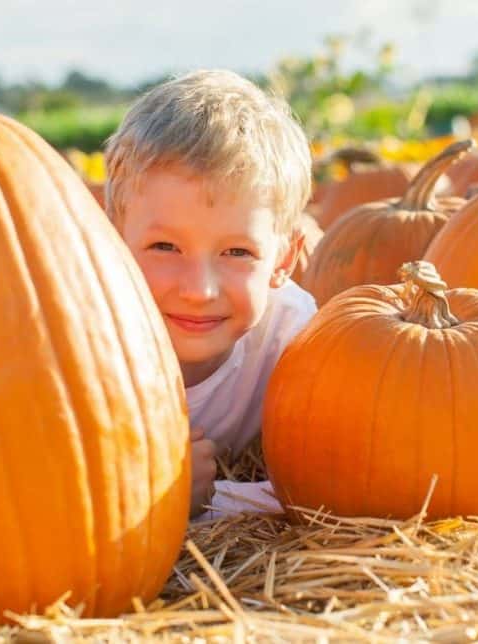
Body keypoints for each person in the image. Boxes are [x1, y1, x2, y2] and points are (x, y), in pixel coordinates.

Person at [103, 69, 316, 518]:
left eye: (237, 252)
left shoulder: (294, 341)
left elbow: (336, 487)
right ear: (112, 239)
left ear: (282, 260)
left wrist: (207, 499)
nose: (199, 290)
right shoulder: (86, 345)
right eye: (165, 247)